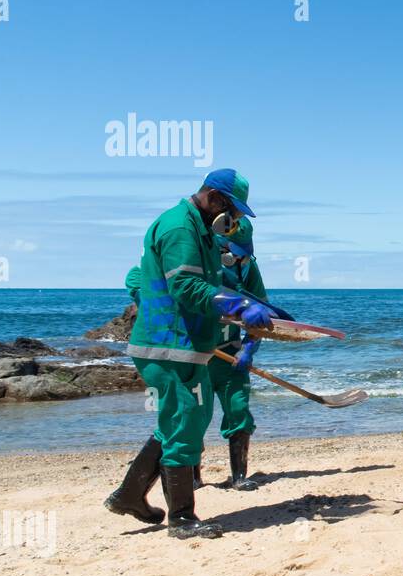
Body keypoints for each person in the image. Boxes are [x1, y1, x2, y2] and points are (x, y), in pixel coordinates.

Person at [104, 169, 277, 540]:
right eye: (232, 210)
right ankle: (181, 519)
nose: (233, 221)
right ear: (214, 198)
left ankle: (130, 494)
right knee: (186, 422)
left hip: (184, 343)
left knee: (182, 421)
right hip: (170, 344)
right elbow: (184, 285)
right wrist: (235, 303)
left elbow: (218, 287)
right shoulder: (181, 229)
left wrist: (249, 318)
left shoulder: (200, 231)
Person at [206, 218, 275, 490]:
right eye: (233, 254)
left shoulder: (248, 268)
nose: (238, 260)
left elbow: (261, 311)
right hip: (196, 350)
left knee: (238, 409)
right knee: (193, 417)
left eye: (243, 255)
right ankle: (193, 477)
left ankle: (239, 477)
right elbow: (138, 279)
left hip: (230, 352)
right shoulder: (199, 260)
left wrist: (249, 348)